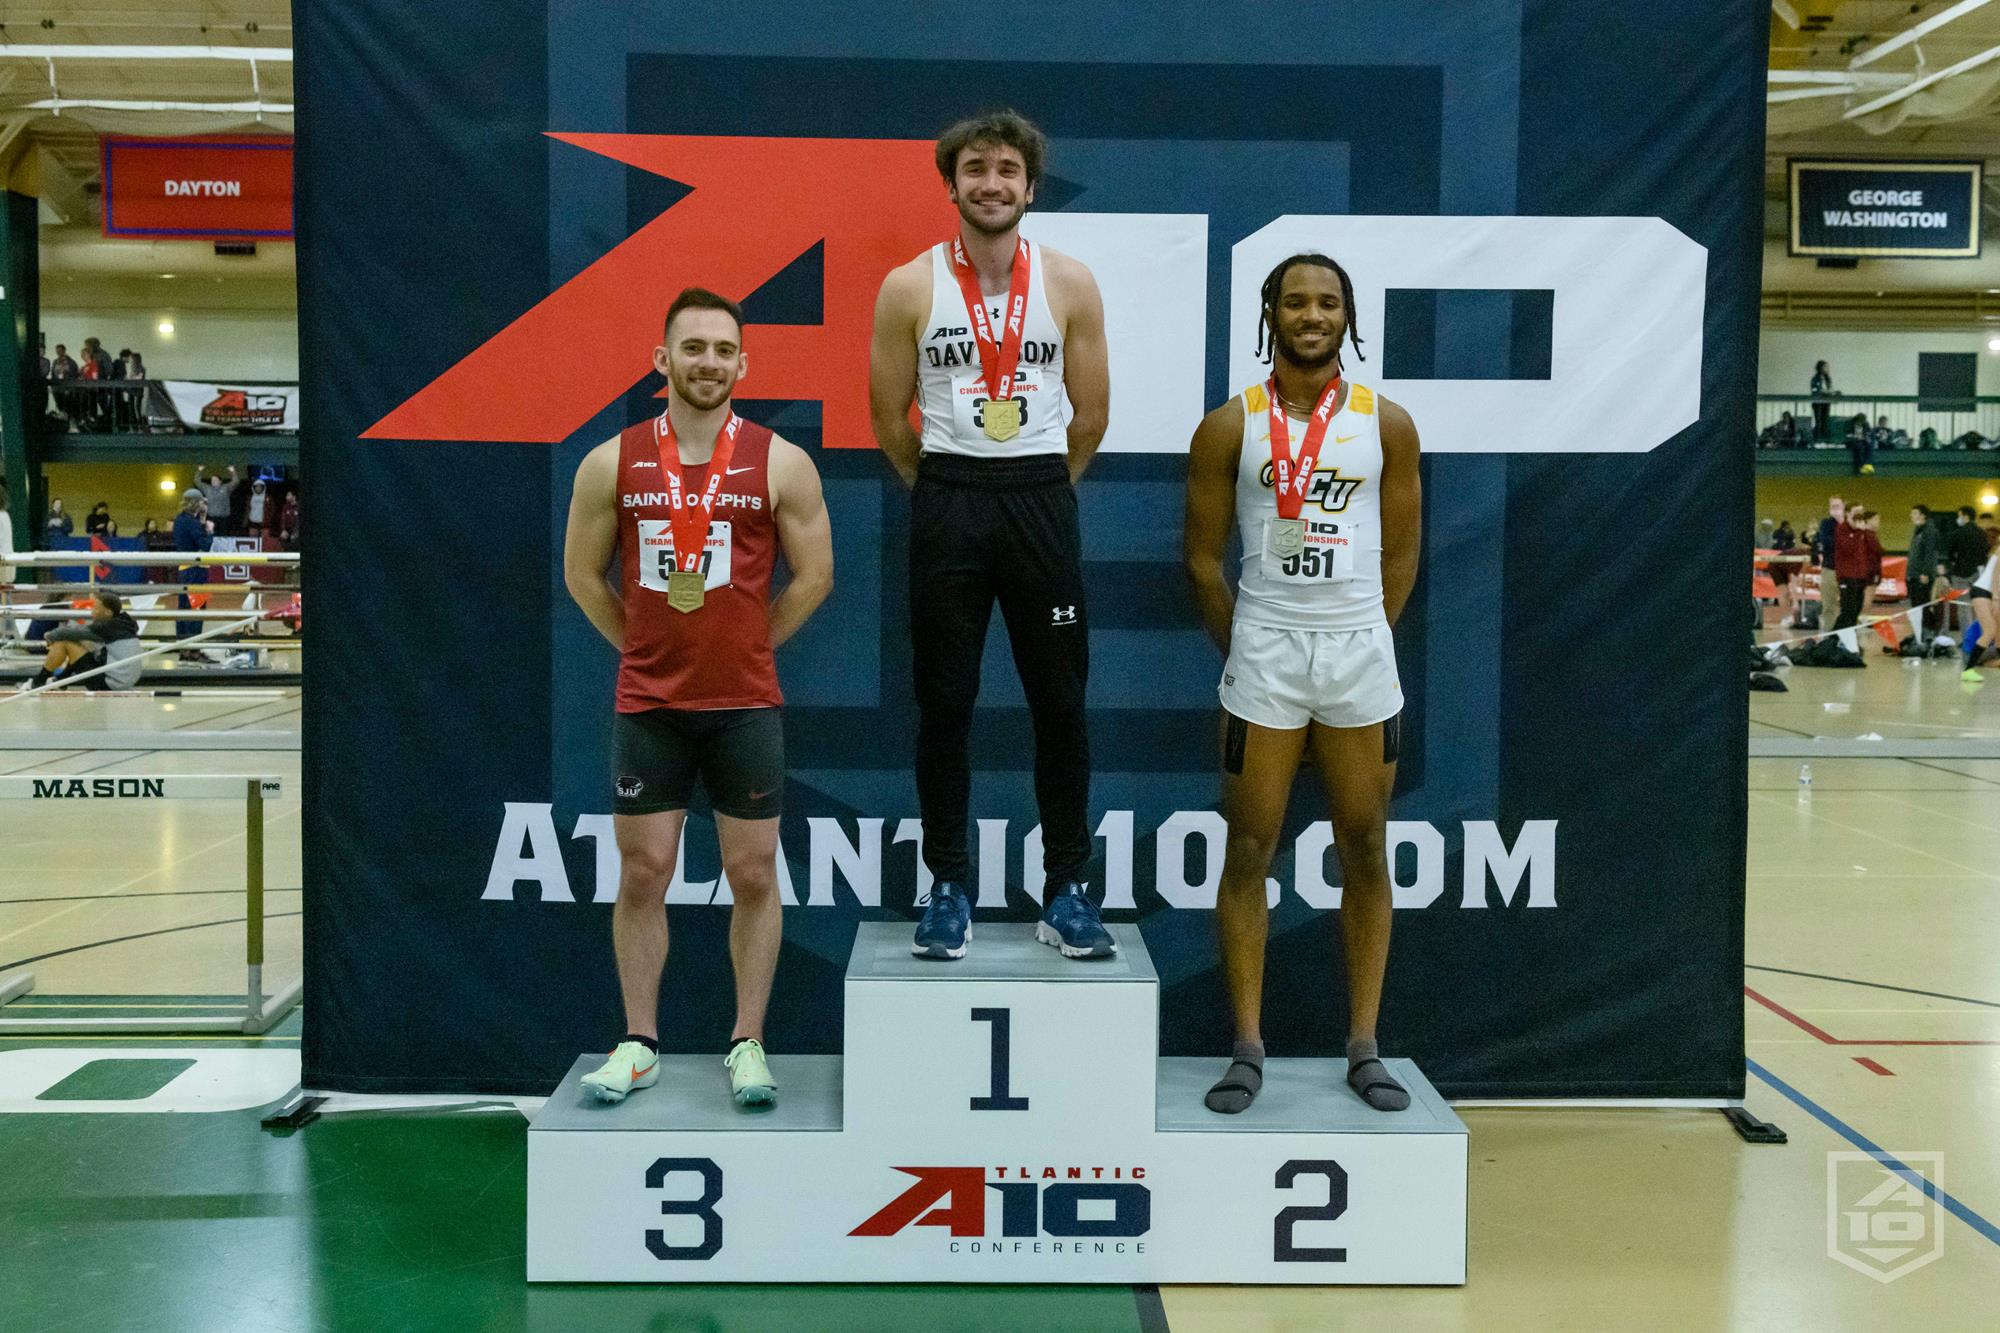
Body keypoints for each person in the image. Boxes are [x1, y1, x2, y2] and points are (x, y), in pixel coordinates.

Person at [563, 286, 833, 1107]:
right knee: (643, 872)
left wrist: (751, 645)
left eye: (723, 350)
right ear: (662, 359)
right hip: (650, 706)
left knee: (752, 873)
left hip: (745, 705)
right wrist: (641, 647)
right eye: (693, 347)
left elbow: (817, 575)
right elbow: (582, 574)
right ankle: (640, 1041)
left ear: (742, 364)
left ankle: (747, 1041)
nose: (708, 362)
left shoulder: (780, 460)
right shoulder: (610, 461)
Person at [869, 109, 1112, 961]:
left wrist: (1036, 489)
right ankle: (948, 885)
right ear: (951, 184)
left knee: (1061, 702)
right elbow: (888, 420)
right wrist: (947, 487)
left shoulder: (1071, 283)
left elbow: (1092, 416)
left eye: (1007, 169)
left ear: (1030, 187)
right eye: (976, 169)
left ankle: (1067, 890)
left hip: (1040, 497)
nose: (992, 183)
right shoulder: (908, 287)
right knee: (945, 702)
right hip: (949, 500)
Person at [1183, 252, 1422, 1115]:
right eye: (1295, 302)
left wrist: (1365, 631)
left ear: (1348, 318)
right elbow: (1204, 562)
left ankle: (1364, 1042)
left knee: (1364, 842)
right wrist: (1248, 640)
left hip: (1358, 650)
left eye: (1327, 303)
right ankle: (1247, 1044)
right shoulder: (1228, 427)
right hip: (1267, 650)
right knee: (1250, 848)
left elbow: (1401, 550)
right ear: (1270, 315)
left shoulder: (1386, 423)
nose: (1311, 315)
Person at [25, 590, 143, 692]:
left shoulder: (106, 627)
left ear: (108, 612)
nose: (92, 612)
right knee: (81, 646)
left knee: (64, 642)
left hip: (109, 684)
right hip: (124, 681)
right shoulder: (124, 624)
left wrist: (50, 636)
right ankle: (61, 681)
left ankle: (38, 682)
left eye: (96, 608)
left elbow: (69, 633)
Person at [172, 489, 213, 646]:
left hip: (184, 568)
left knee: (184, 607)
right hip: (196, 569)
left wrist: (202, 519)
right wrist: (209, 530)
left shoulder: (180, 520)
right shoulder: (191, 522)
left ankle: (182, 646)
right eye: (202, 502)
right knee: (196, 608)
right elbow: (205, 544)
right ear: (197, 503)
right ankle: (193, 648)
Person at [1831, 506, 1881, 631]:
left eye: (1861, 512)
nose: (1860, 514)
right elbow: (1848, 548)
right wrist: (1859, 532)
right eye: (1856, 511)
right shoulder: (1842, 529)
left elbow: (1871, 551)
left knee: (1856, 610)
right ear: (1848, 513)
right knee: (1848, 610)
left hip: (1860, 576)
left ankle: (1849, 640)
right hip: (1847, 576)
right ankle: (1835, 638)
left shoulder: (1863, 531)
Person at [1907, 505, 1941, 643]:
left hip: (1921, 575)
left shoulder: (1929, 531)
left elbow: (1929, 553)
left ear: (1923, 515)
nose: (1911, 516)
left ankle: (1927, 634)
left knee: (1923, 605)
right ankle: (1919, 632)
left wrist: (1925, 573)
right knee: (1916, 606)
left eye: (1914, 513)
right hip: (1914, 574)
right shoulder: (1918, 530)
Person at [1964, 548, 1998, 681]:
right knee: (1989, 632)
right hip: (1983, 591)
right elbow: (1997, 570)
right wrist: (1995, 596)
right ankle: (1968, 670)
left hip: (1992, 592)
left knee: (1998, 633)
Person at [1768, 519, 1798, 626]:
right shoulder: (1777, 533)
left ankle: (1790, 616)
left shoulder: (1792, 534)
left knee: (1788, 591)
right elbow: (1794, 583)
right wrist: (1795, 602)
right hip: (1776, 565)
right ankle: (1785, 617)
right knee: (1783, 592)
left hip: (1786, 564)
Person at [196, 465, 238, 536]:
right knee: (211, 536)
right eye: (212, 480)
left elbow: (236, 481)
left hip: (224, 519)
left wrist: (232, 471)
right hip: (211, 518)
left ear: (220, 481)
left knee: (223, 537)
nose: (213, 481)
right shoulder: (207, 488)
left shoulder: (226, 488)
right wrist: (199, 470)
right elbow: (197, 481)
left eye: (215, 480)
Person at [1810, 360, 1834, 443]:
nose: (1828, 369)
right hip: (1818, 402)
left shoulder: (1828, 379)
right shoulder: (1815, 379)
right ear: (1820, 368)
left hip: (1826, 402)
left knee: (1825, 420)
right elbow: (1815, 389)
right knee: (1818, 421)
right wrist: (1824, 391)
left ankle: (1825, 439)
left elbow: (1830, 389)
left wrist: (1831, 393)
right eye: (1826, 367)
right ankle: (1818, 439)